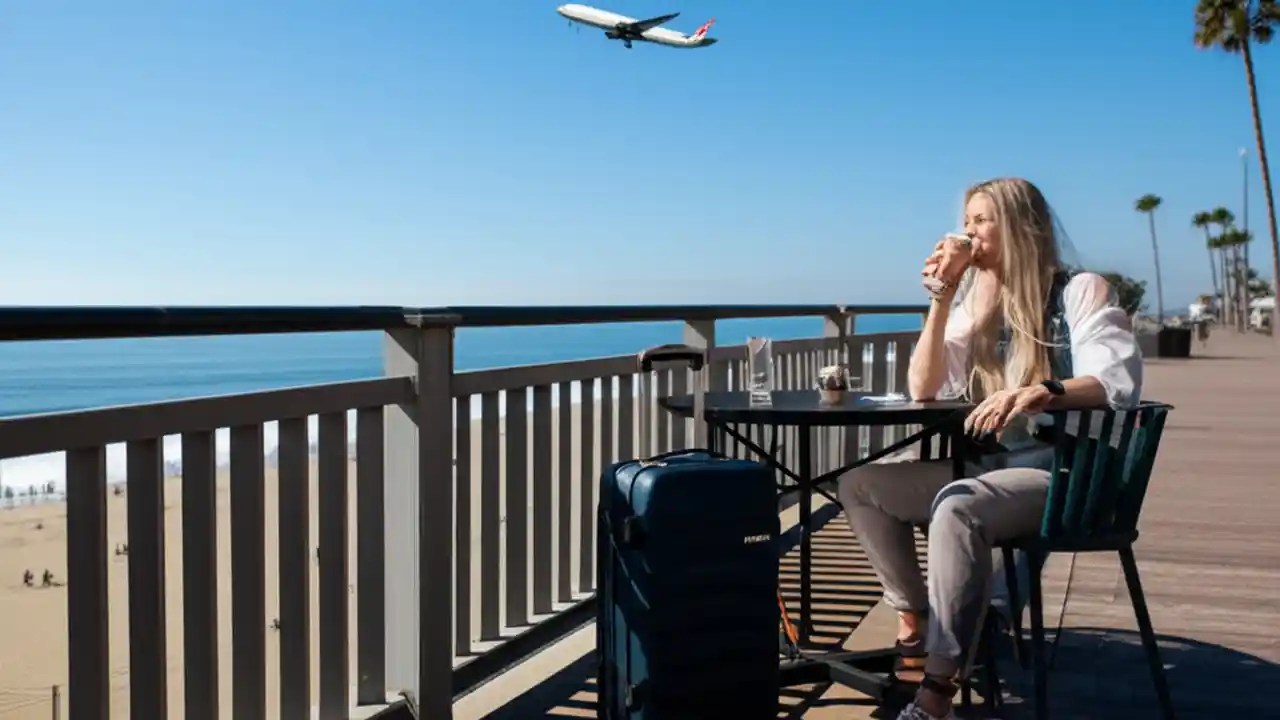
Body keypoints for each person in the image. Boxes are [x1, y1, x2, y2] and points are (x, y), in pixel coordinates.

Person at [836, 177, 1143, 720]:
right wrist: (941, 297)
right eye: (968, 221)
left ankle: (937, 690)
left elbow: (1116, 382)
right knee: (862, 485)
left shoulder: (1078, 290)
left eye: (982, 220)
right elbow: (923, 389)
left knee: (958, 506)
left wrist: (1043, 391)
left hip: (1064, 472)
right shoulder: (977, 303)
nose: (968, 233)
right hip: (992, 463)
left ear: (1023, 227)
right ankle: (917, 621)